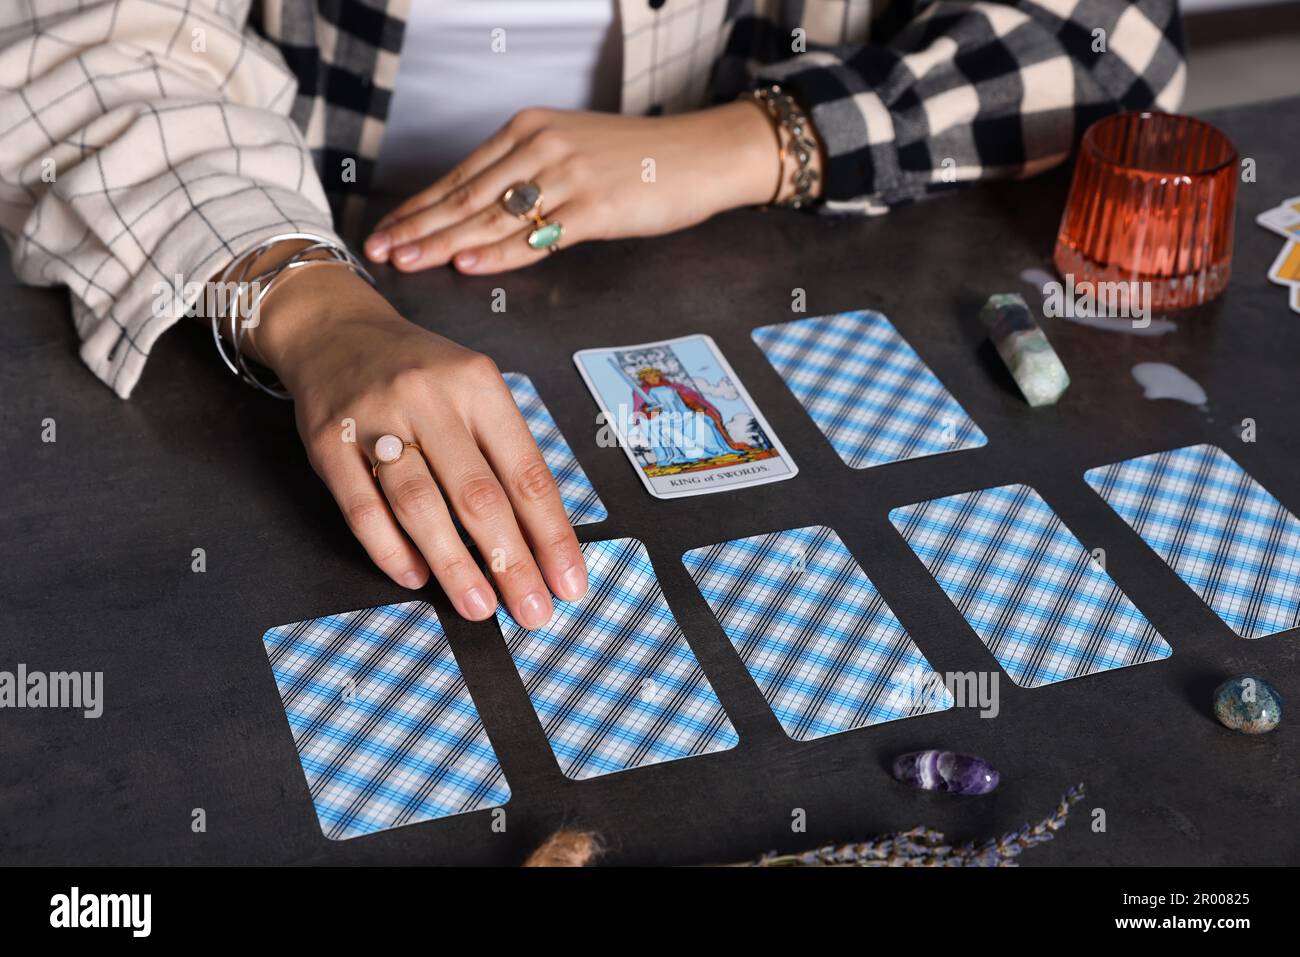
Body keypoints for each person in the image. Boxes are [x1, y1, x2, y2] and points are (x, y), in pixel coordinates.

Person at [0, 1, 1185, 631]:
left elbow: (1114, 39)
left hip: (719, 258)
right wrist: (311, 308)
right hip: (289, 247)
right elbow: (70, 37)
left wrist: (755, 141)